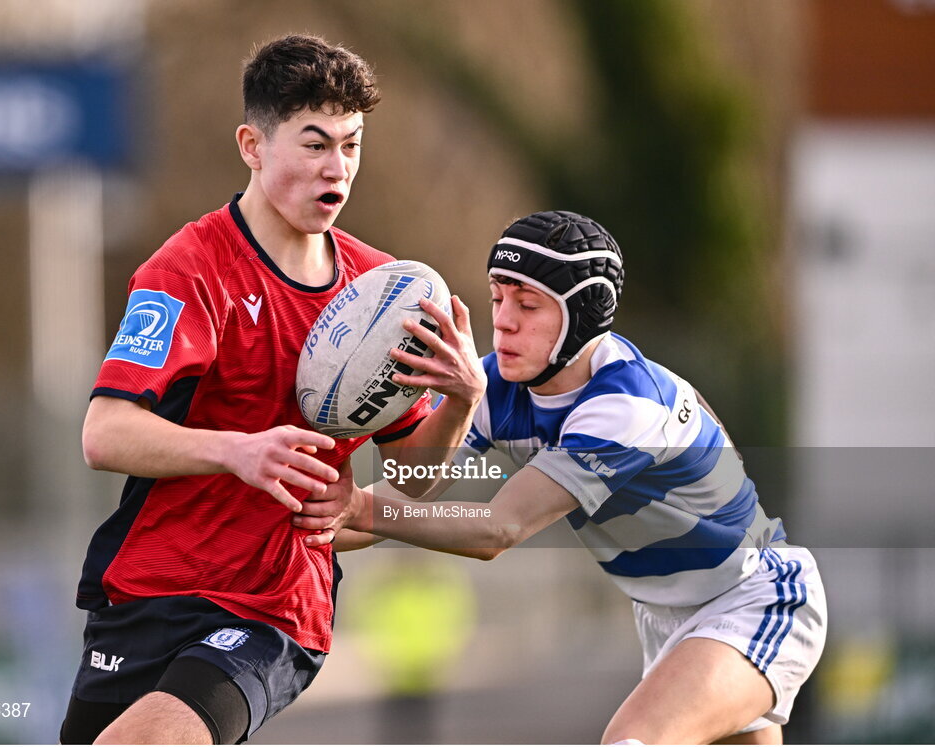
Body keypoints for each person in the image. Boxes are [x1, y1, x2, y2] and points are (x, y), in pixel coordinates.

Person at [59, 34, 484, 745]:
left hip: (272, 607)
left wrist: (463, 401)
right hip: (150, 589)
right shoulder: (191, 269)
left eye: (351, 145)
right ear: (251, 145)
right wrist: (239, 451)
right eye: (315, 144)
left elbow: (412, 482)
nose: (338, 168)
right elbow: (104, 433)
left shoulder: (384, 294)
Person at [298, 210, 828, 745]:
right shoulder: (496, 383)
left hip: (753, 598)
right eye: (497, 297)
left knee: (631, 740)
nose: (503, 320)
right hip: (666, 617)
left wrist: (361, 509)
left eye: (527, 306)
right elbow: (406, 490)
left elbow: (496, 529)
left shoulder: (626, 406)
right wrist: (312, 522)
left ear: (584, 317)